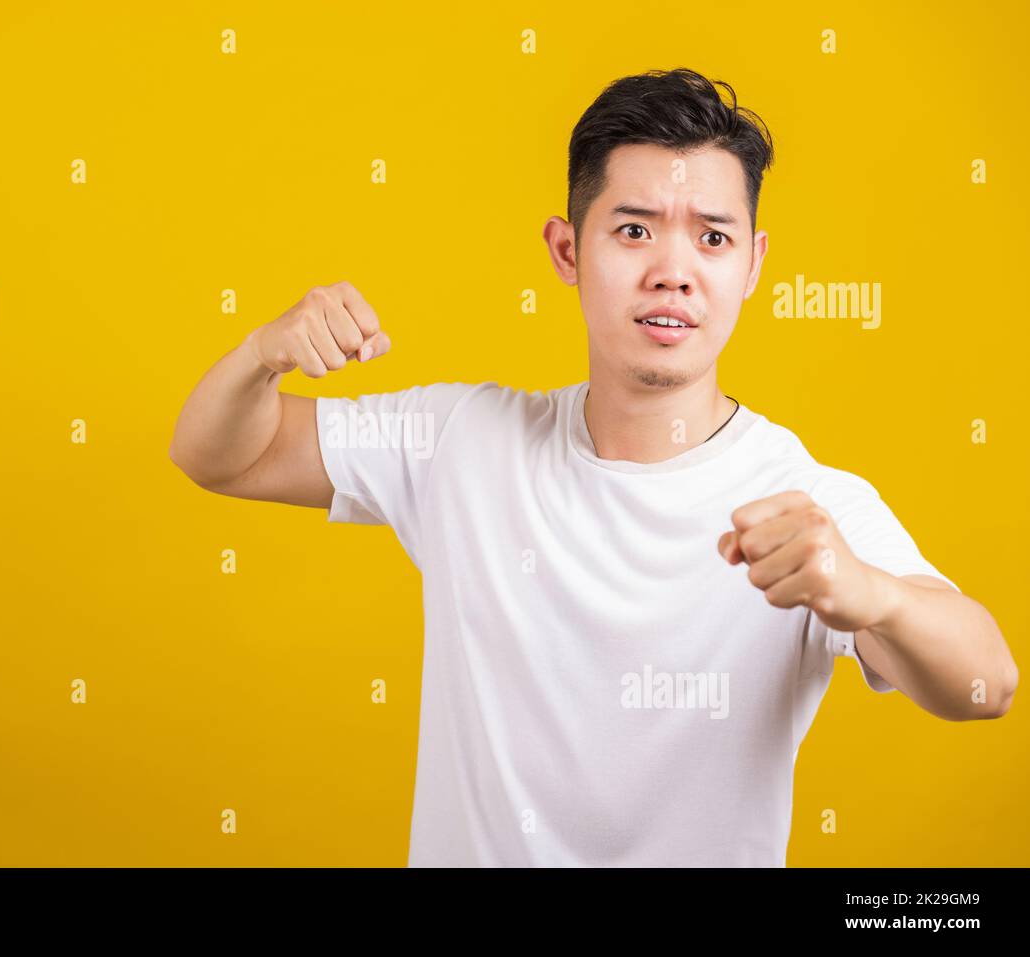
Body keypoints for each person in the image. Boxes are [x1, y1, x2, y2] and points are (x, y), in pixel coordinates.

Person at [169, 67, 1017, 867]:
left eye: (712, 238)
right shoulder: (461, 438)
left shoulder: (809, 504)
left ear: (753, 264)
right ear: (568, 250)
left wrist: (871, 592)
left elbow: (988, 683)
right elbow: (218, 454)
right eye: (635, 229)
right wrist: (259, 356)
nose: (673, 273)